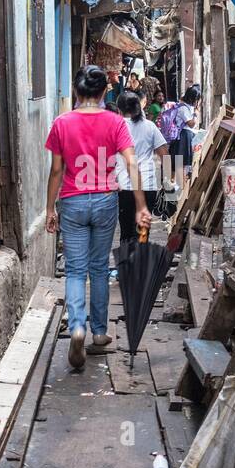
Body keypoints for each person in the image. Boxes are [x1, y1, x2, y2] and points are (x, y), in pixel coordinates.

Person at [46, 66, 151, 370]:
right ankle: (100, 332)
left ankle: (77, 326)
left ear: (77, 92)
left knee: (76, 271)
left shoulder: (61, 123)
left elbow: (56, 170)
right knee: (99, 268)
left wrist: (49, 208)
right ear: (105, 92)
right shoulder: (116, 122)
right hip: (106, 200)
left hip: (72, 201)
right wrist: (141, 205)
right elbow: (132, 165)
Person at [114, 91, 168, 242]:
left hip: (125, 187)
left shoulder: (116, 127)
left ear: (119, 110)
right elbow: (165, 155)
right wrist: (170, 186)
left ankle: (127, 263)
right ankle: (140, 261)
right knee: (142, 233)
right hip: (148, 186)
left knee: (126, 232)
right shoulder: (150, 127)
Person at [168, 85, 201, 180]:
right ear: (194, 98)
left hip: (186, 136)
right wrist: (196, 113)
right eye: (198, 99)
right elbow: (191, 124)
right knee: (181, 163)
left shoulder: (187, 107)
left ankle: (176, 184)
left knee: (182, 163)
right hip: (183, 137)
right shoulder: (183, 108)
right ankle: (178, 186)